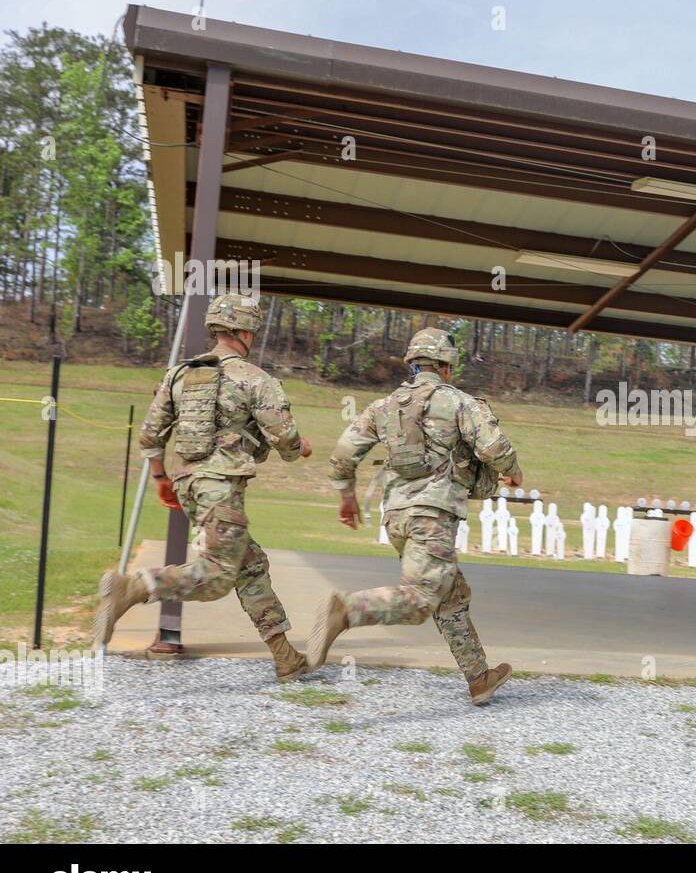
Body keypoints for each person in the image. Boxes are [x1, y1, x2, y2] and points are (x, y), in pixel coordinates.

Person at [95, 293, 313, 681]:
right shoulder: (253, 378)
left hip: (188, 484)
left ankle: (285, 656)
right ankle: (133, 587)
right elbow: (286, 438)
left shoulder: (179, 374)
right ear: (245, 331)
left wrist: (163, 479)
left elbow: (150, 437)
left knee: (250, 566)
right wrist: (300, 448)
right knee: (215, 577)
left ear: (216, 328)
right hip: (221, 488)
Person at [309, 328, 521, 705]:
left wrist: (347, 498)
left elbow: (343, 456)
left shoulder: (383, 406)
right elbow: (492, 445)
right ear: (446, 365)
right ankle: (346, 611)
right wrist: (513, 469)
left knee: (450, 594)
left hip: (397, 518)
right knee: (422, 597)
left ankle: (479, 678)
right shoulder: (458, 402)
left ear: (412, 363)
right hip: (433, 515)